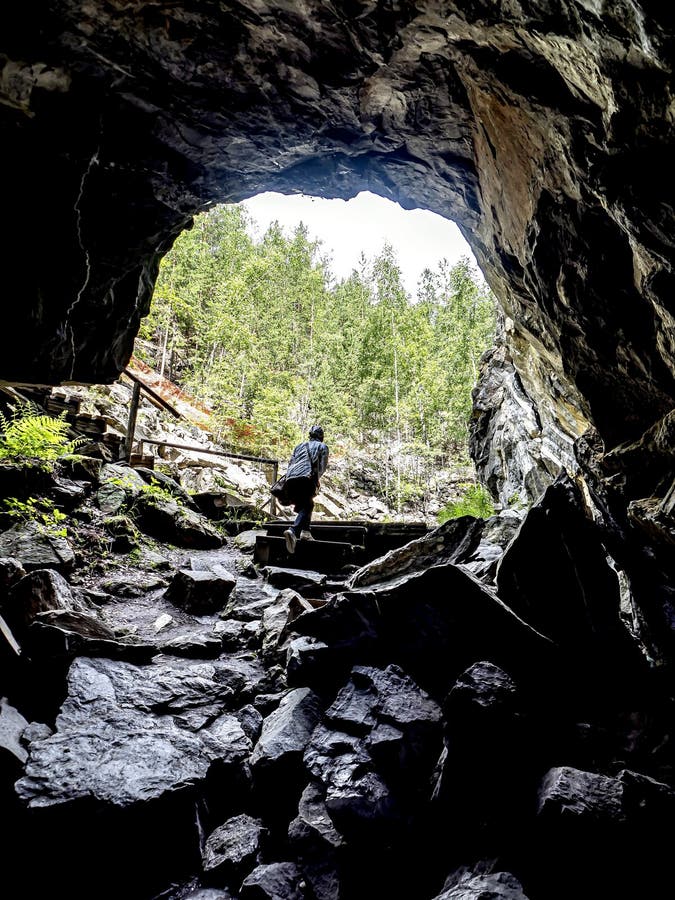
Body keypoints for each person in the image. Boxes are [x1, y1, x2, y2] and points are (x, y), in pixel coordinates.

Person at [282, 424, 329, 553]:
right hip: (306, 478)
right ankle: (293, 530)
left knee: (306, 504)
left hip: (290, 478)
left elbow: (291, 463)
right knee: (308, 505)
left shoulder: (299, 446)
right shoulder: (322, 447)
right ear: (321, 436)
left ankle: (306, 532)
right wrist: (316, 479)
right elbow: (322, 467)